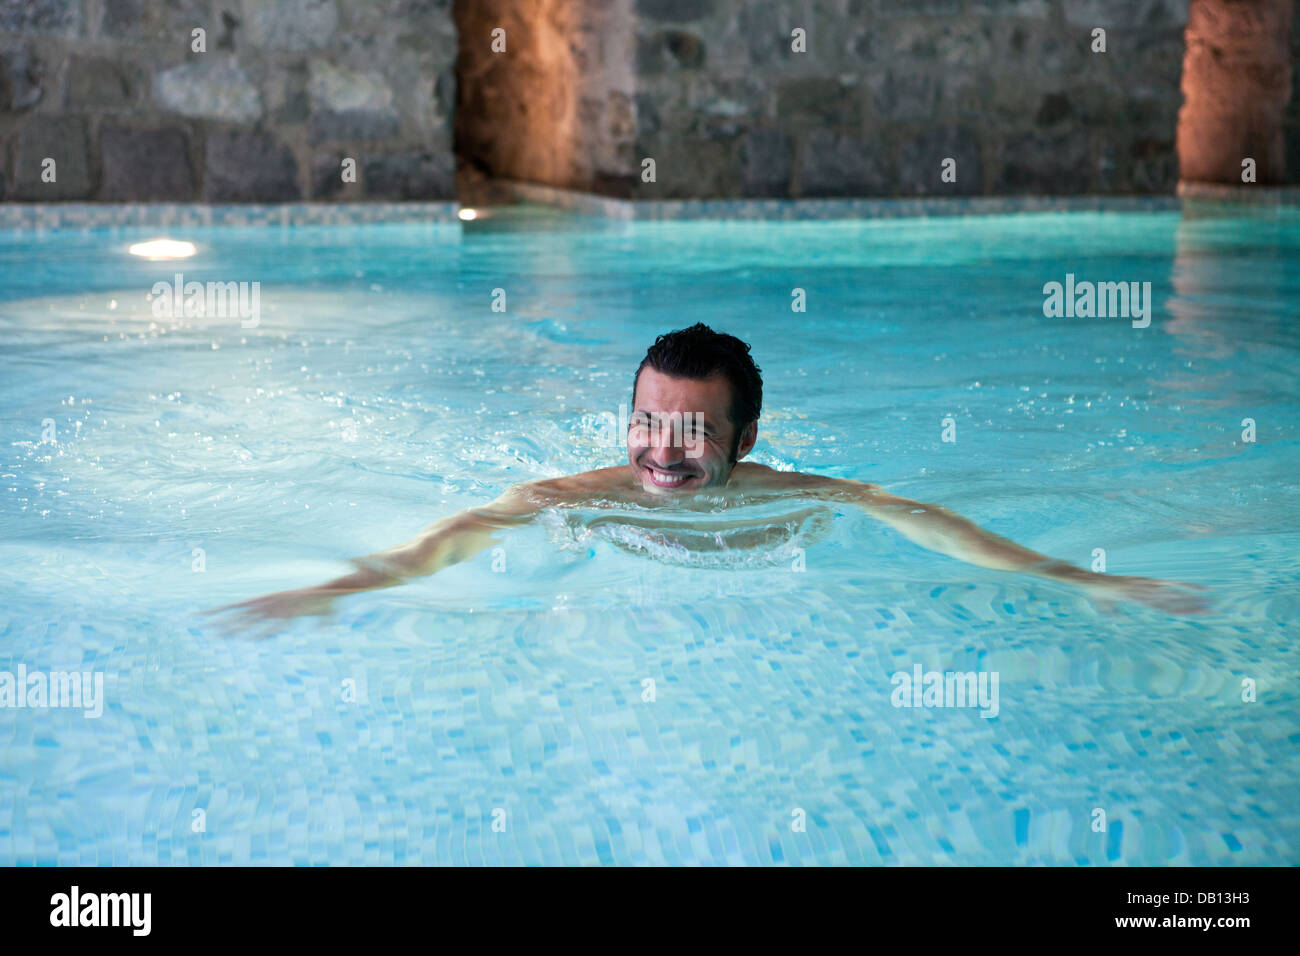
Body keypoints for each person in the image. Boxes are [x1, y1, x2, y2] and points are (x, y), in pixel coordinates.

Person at [210, 323, 1208, 629]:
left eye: (690, 431)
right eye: (646, 422)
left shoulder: (793, 494)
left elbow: (926, 522)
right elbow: (457, 536)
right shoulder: (584, 496)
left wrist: (1086, 581)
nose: (660, 450)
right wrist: (340, 589)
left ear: (743, 438)